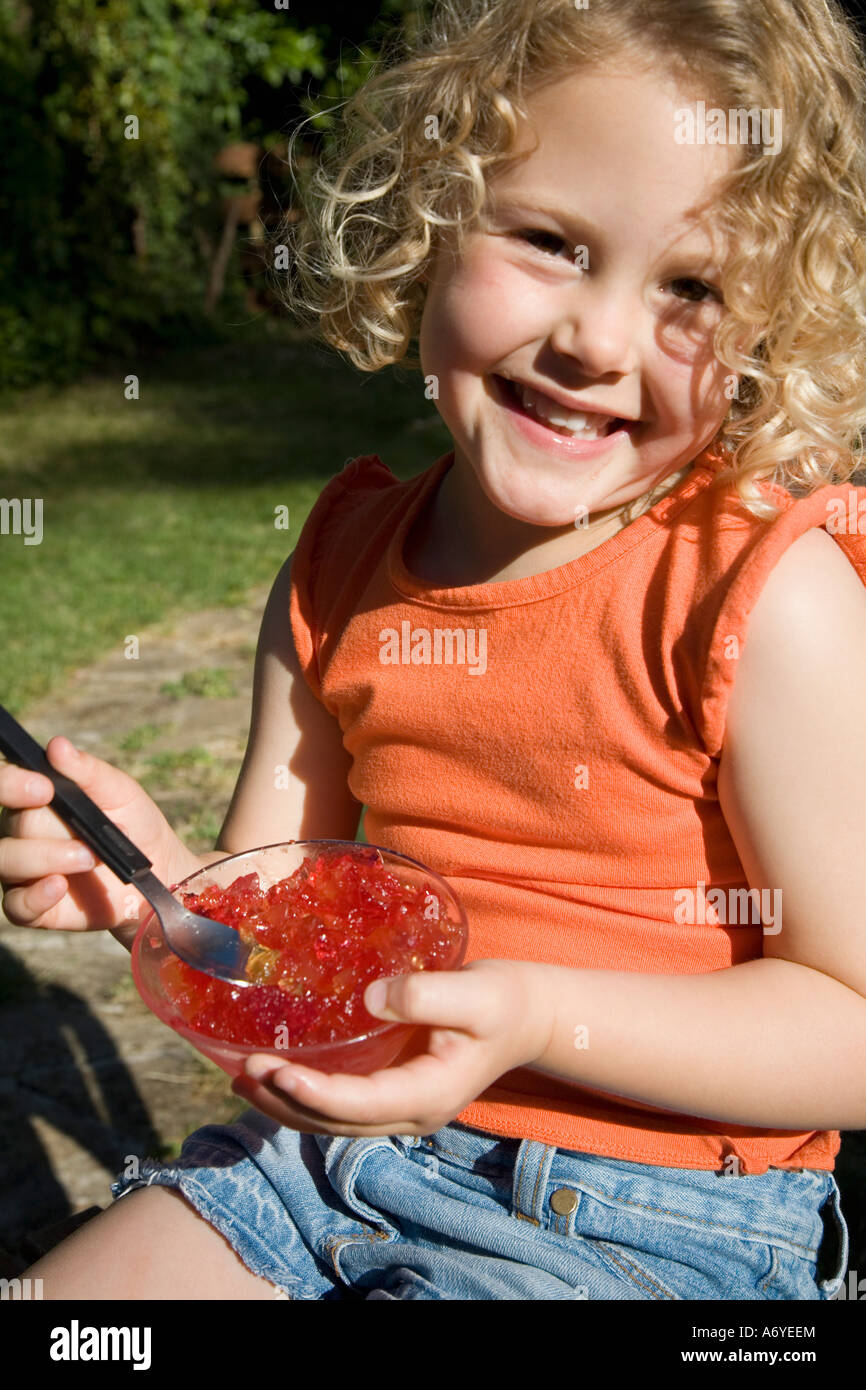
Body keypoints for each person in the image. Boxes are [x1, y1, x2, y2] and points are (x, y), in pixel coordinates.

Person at [2, 0, 866, 1300]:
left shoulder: (754, 590)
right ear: (427, 215)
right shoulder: (344, 562)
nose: (596, 338)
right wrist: (159, 893)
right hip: (312, 1167)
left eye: (690, 287)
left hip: (646, 1218)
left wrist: (529, 1014)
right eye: (550, 242)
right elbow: (284, 916)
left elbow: (849, 1022)